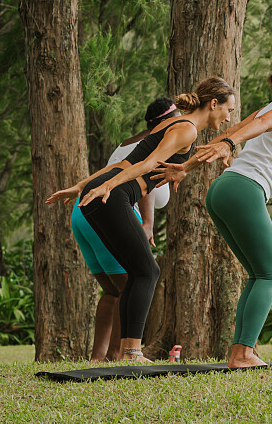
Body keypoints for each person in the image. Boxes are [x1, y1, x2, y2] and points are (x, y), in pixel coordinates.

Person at [155, 53, 272, 369]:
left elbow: (236, 130)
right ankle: (242, 353)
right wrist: (226, 147)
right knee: (271, 274)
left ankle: (242, 351)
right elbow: (256, 127)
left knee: (259, 274)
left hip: (224, 191)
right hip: (244, 190)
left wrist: (186, 167)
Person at [47, 77, 236, 361]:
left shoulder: (171, 124)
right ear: (213, 104)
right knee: (148, 271)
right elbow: (143, 164)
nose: (229, 116)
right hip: (114, 197)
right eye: (229, 109)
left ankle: (127, 351)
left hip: (106, 194)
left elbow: (121, 163)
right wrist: (108, 186)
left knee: (138, 272)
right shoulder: (186, 130)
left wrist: (81, 186)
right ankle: (132, 351)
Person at [69, 97, 178, 361]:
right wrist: (148, 224)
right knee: (132, 280)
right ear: (166, 122)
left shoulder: (129, 142)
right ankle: (117, 357)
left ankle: (99, 358)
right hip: (109, 211)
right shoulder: (154, 144)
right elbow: (145, 178)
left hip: (83, 210)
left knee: (113, 290)